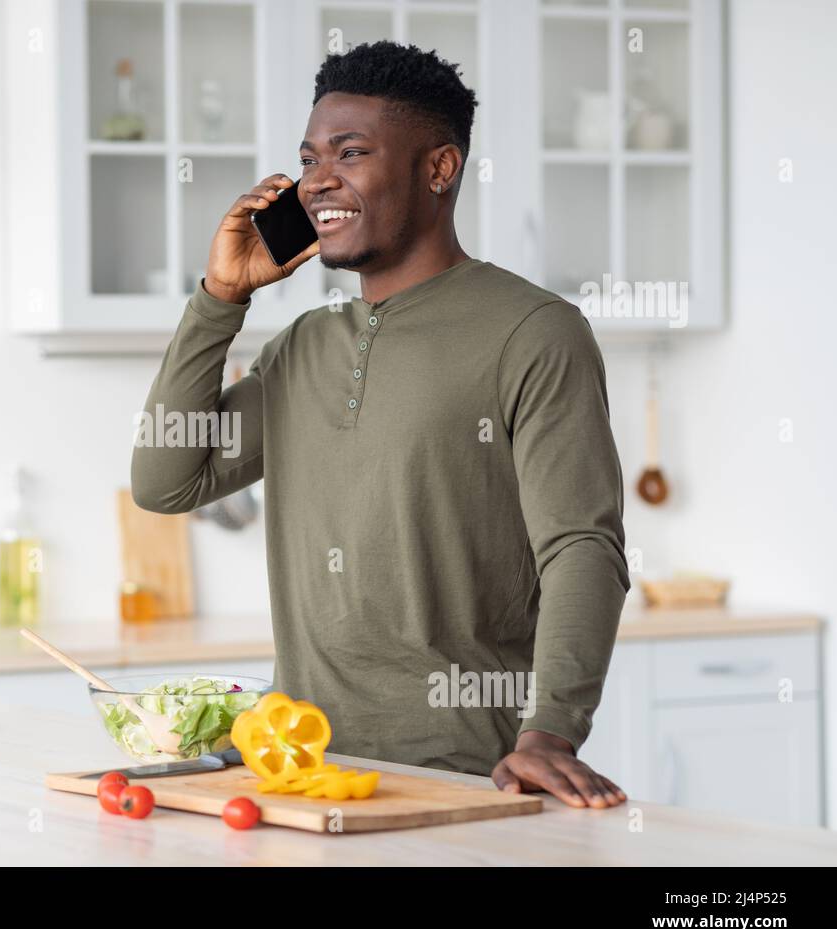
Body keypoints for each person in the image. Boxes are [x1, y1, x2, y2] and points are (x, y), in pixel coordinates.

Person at [131, 41, 629, 809]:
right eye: (309, 159)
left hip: (456, 775)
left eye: (351, 153)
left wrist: (550, 733)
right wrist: (220, 299)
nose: (317, 181)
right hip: (295, 768)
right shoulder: (304, 346)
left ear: (439, 169)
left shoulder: (534, 331)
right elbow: (168, 482)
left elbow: (581, 547)